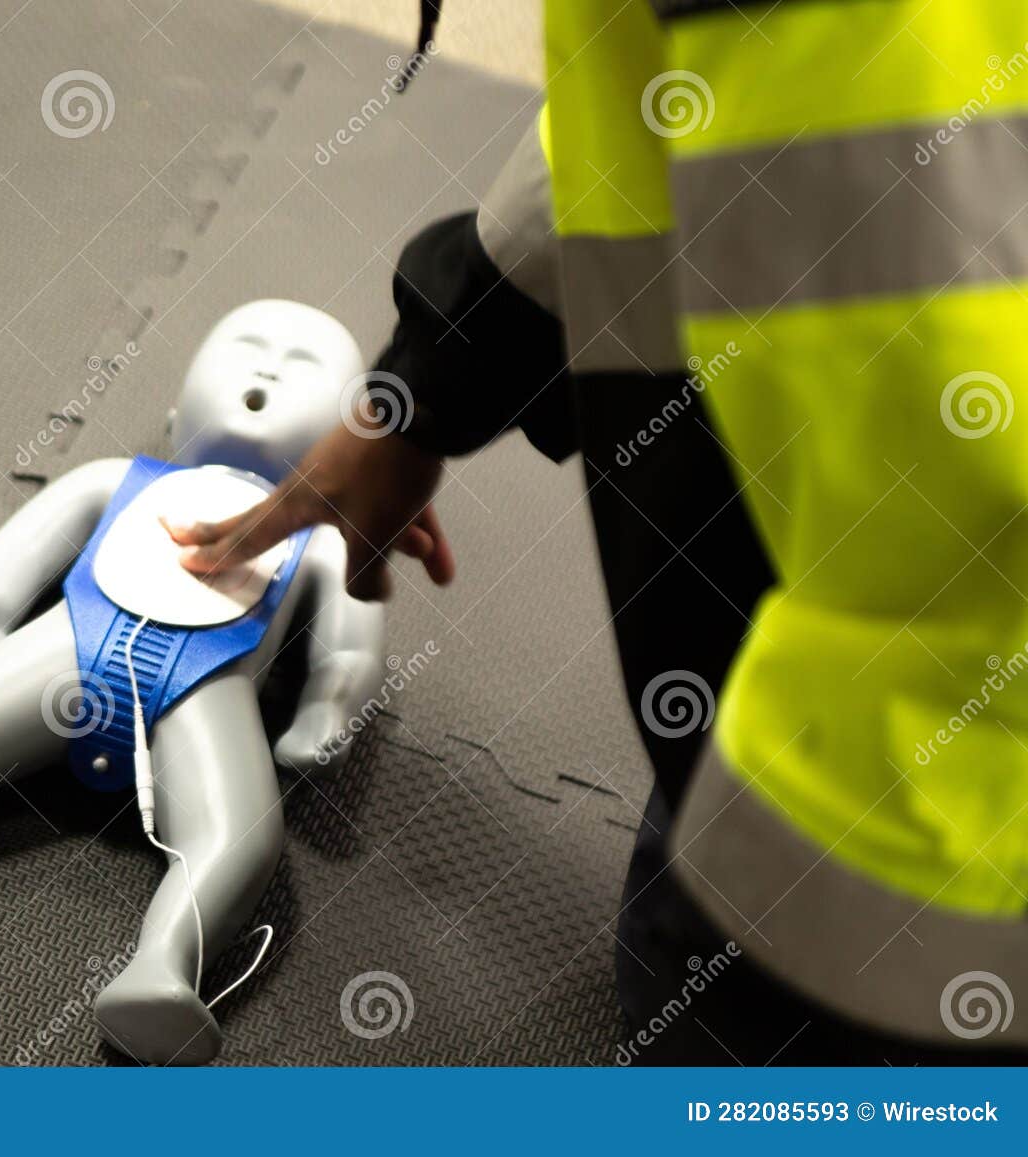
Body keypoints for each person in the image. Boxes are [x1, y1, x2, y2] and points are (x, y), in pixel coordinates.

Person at [170, 0, 1028, 1063]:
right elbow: (619, 131)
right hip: (786, 704)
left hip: (936, 822)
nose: (261, 382)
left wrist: (796, 903)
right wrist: (424, 387)